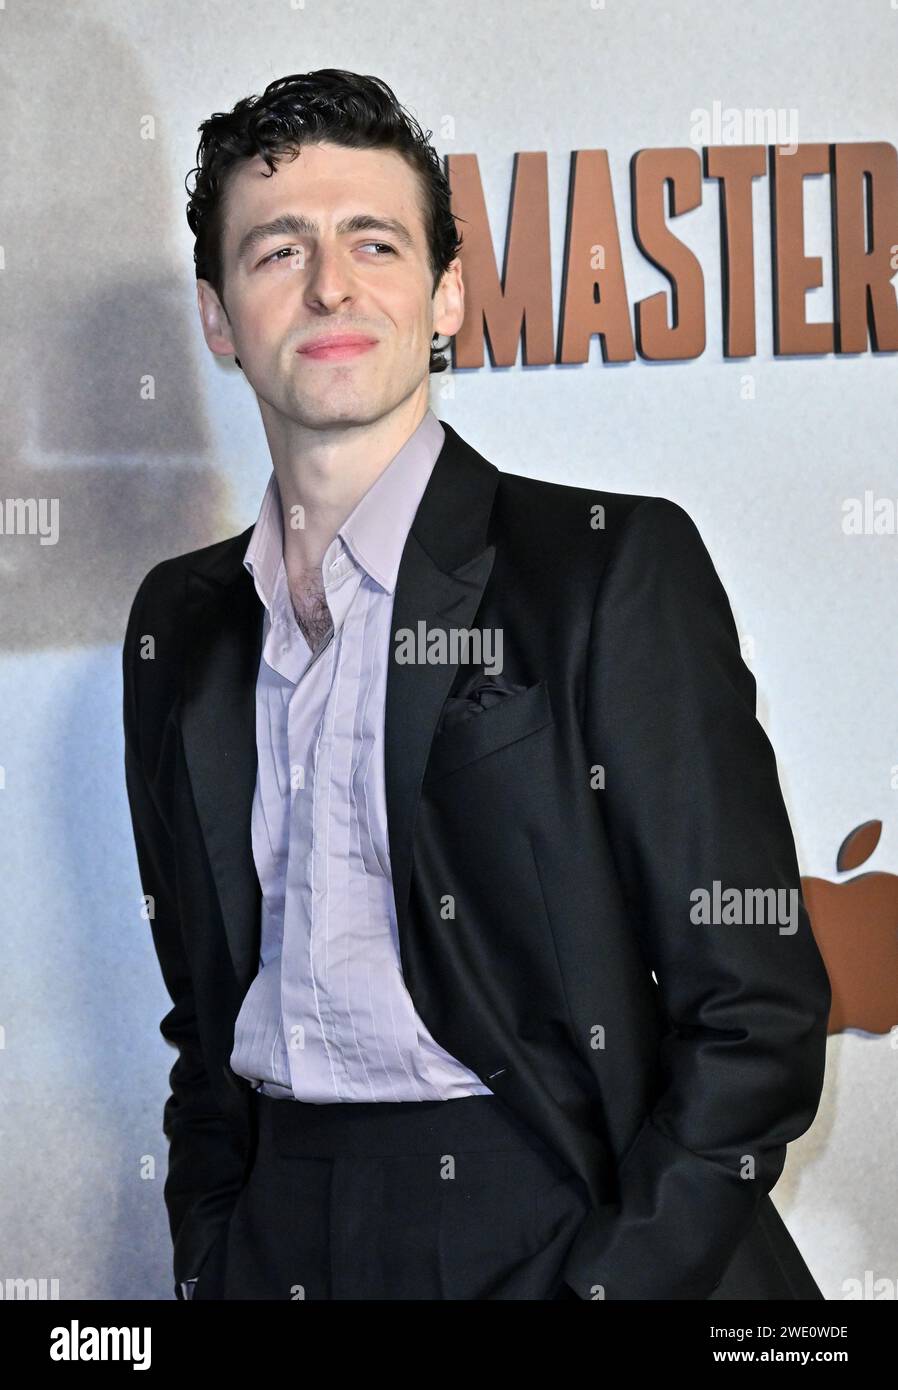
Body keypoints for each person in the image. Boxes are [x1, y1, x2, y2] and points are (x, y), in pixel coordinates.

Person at [122, 68, 832, 1301]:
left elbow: (755, 1010)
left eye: (374, 241)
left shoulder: (605, 569)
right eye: (277, 249)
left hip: (548, 1218)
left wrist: (604, 1289)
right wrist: (214, 1249)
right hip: (281, 1226)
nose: (330, 285)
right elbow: (204, 1013)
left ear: (445, 290)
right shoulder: (180, 625)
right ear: (217, 315)